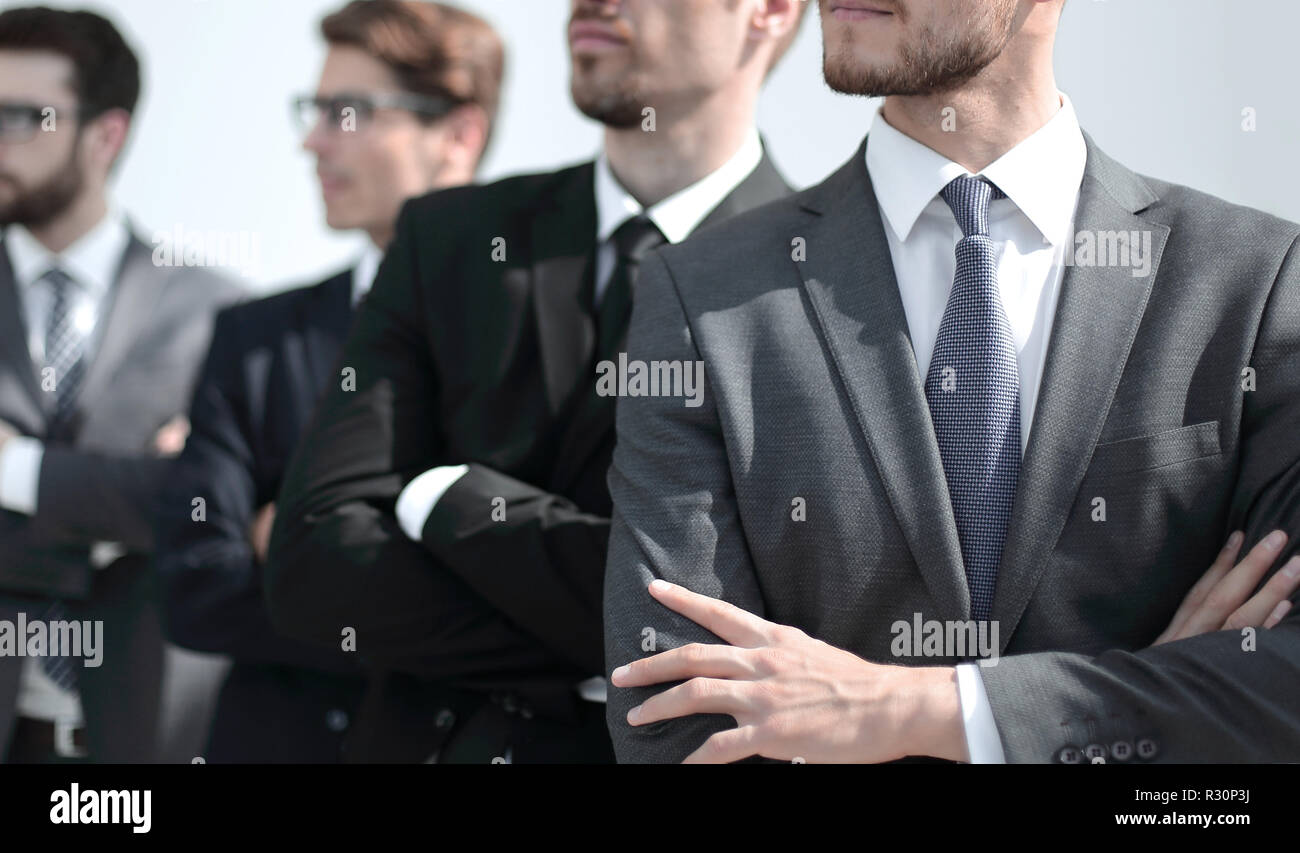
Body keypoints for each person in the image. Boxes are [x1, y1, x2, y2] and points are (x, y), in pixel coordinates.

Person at [603, 0, 1300, 763]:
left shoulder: (1257, 283)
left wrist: (920, 710)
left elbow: (1283, 690)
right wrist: (1143, 707)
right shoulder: (700, 293)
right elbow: (672, 719)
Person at [267, 0, 808, 762]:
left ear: (769, 11)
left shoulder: (826, 282)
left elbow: (789, 614)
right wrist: (612, 648)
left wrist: (447, 503)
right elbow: (312, 563)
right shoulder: (450, 236)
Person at [154, 0, 503, 763]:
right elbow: (194, 588)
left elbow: (556, 599)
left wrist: (299, 551)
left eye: (348, 112)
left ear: (457, 133)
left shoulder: (539, 332)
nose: (313, 141)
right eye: (315, 111)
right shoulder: (256, 336)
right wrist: (438, 594)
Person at [0, 6, 243, 763]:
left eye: (20, 116)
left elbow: (202, 509)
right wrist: (114, 507)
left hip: (145, 738)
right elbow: (152, 504)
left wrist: (16, 470)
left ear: (105, 135)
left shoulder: (218, 310)